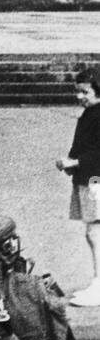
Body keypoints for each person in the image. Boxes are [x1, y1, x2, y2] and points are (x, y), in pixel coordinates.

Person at [56, 68, 100, 307]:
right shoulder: (90, 113)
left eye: (85, 91)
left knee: (95, 232)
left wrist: (75, 162)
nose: (79, 96)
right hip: (89, 178)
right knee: (93, 232)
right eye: (78, 91)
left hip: (96, 180)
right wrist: (73, 162)